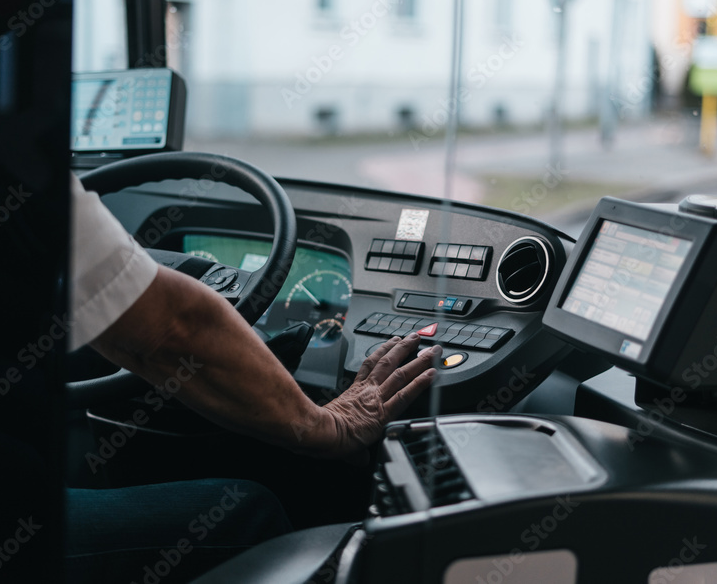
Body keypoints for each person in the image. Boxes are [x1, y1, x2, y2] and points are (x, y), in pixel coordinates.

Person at [66, 173, 438, 582]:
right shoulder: (31, 177)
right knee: (246, 511)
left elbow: (114, 319)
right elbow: (172, 328)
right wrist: (325, 425)